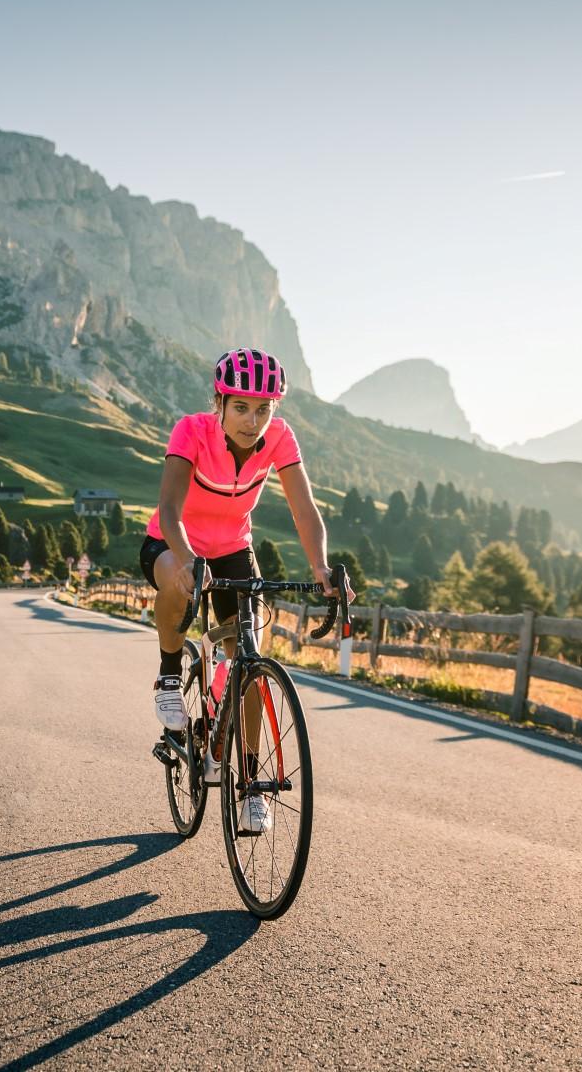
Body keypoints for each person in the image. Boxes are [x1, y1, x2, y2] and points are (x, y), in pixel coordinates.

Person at [139, 347, 353, 833]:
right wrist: (191, 558)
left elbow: (304, 509)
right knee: (175, 570)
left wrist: (320, 566)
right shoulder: (190, 431)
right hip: (175, 543)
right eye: (241, 407)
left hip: (235, 549)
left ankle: (251, 785)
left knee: (249, 663)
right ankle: (170, 676)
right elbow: (169, 508)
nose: (252, 420)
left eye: (263, 409)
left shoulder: (278, 438)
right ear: (219, 401)